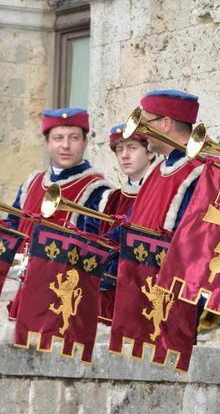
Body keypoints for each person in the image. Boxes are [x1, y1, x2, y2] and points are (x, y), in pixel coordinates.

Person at [8, 108, 112, 238]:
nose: (66, 145)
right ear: (47, 143)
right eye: (58, 138)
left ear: (85, 143)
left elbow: (93, 248)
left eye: (74, 138)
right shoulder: (31, 183)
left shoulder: (99, 191)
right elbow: (11, 229)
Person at [98, 124, 156, 325]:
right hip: (108, 294)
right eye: (119, 149)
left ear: (150, 153)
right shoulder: (110, 198)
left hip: (145, 292)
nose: (124, 155)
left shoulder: (161, 192)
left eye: (132, 148)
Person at [124, 90, 205, 233]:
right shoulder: (155, 170)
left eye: (145, 124)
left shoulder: (201, 171)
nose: (142, 133)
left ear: (166, 124)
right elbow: (131, 223)